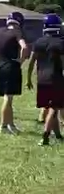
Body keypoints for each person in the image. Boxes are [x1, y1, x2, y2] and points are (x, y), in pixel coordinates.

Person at [0, 11, 30, 135]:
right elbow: (25, 48)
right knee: (8, 99)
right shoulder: (17, 32)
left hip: (1, 66)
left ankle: (11, 125)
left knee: (8, 98)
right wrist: (20, 61)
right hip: (11, 67)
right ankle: (3, 126)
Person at [26, 13, 64, 145]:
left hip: (41, 79)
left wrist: (29, 79)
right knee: (55, 108)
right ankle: (45, 136)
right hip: (56, 79)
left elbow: (31, 62)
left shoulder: (38, 42)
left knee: (50, 107)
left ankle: (58, 135)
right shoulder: (60, 43)